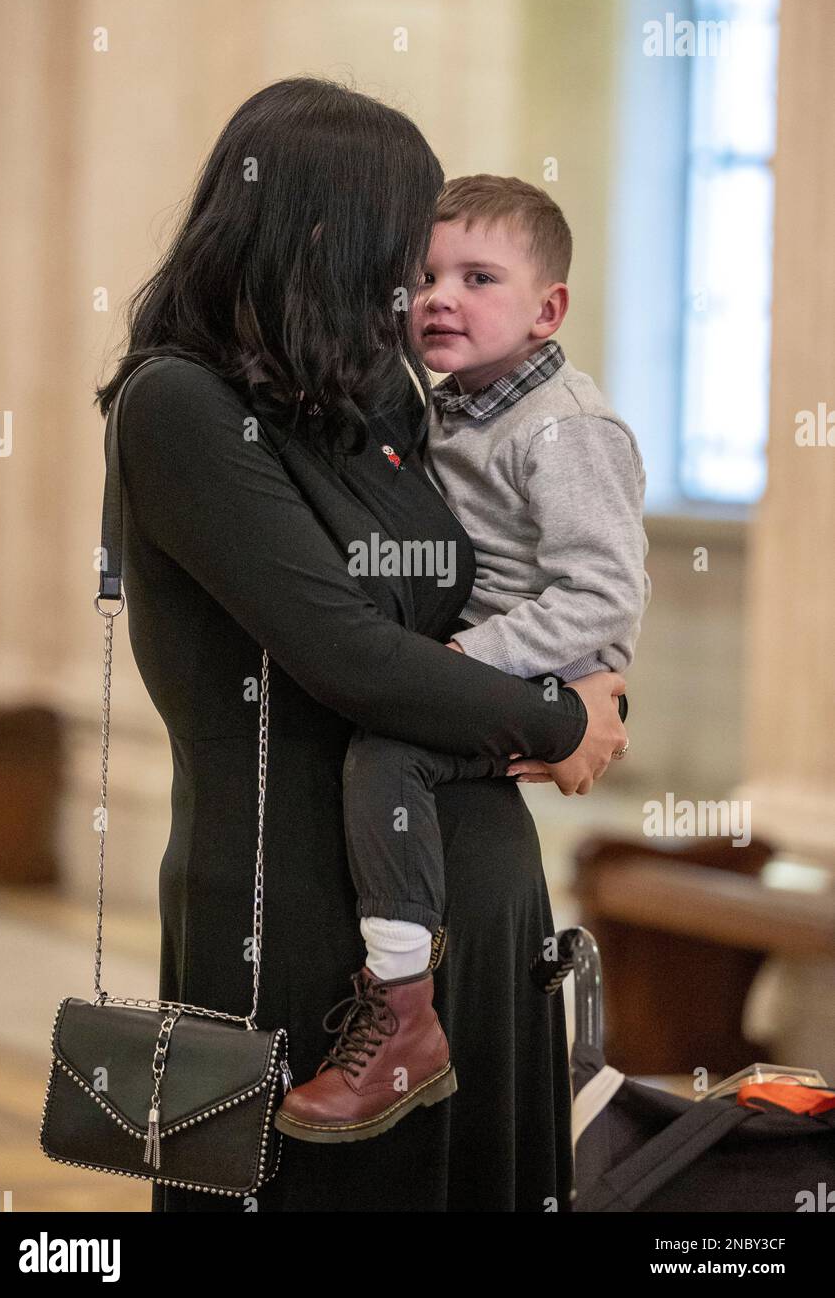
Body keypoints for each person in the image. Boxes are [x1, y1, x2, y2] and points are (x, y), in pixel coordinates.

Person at [95, 76, 628, 1212]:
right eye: (404, 250)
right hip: (292, 917)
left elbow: (503, 583)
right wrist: (566, 718)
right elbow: (345, 653)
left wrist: (597, 672)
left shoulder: (377, 397)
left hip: (471, 895)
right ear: (321, 235)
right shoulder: (179, 405)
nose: (418, 285)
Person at [276, 175, 648, 1144]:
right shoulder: (446, 407)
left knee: (385, 755)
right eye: (425, 276)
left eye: (478, 277)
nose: (440, 297)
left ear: (546, 308)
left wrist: (460, 658)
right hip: (482, 664)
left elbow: (601, 593)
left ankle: (401, 1014)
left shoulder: (563, 427)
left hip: (524, 667)